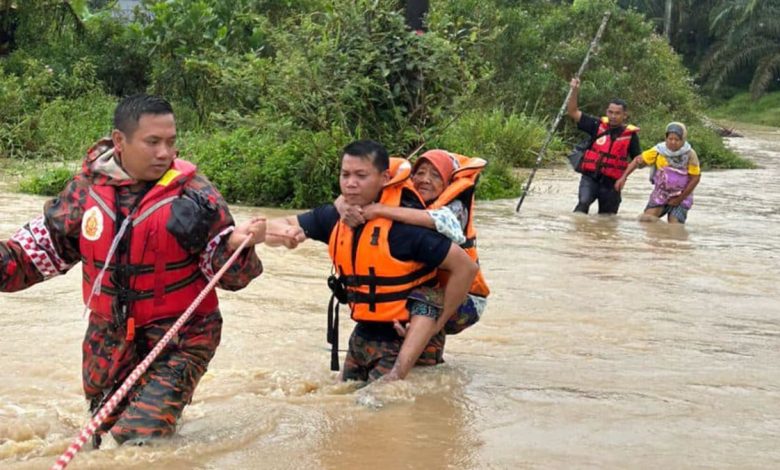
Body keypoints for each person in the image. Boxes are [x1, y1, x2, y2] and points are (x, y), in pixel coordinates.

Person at [0, 94, 266, 447]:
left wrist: (238, 246)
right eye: (153, 142)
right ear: (120, 141)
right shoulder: (85, 192)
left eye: (171, 142)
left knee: (137, 442)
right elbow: (32, 257)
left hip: (181, 338)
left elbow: (232, 276)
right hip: (109, 340)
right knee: (100, 439)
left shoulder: (196, 194)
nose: (164, 153)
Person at [265, 140, 478, 383]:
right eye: (345, 175)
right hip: (364, 333)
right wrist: (284, 235)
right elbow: (270, 227)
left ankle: (399, 371)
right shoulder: (337, 216)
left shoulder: (406, 230)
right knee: (341, 407)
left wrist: (436, 325)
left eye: (360, 176)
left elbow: (466, 268)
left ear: (384, 178)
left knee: (386, 405)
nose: (350, 183)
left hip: (409, 335)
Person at [335, 149, 489, 336]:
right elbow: (348, 196)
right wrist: (344, 207)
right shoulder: (405, 198)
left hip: (467, 301)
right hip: (433, 288)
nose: (425, 179)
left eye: (435, 175)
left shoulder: (457, 208)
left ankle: (426, 338)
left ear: (447, 183)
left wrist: (380, 210)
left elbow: (439, 220)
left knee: (422, 299)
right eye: (420, 172)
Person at [568, 77, 642, 214]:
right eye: (610, 112)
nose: (613, 116)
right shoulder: (596, 125)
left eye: (617, 113)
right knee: (582, 205)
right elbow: (573, 112)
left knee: (607, 219)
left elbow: (637, 159)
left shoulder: (631, 136)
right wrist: (574, 91)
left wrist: (623, 177)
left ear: (625, 115)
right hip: (590, 177)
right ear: (607, 112)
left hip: (612, 183)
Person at [615, 121, 701, 224]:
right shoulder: (658, 150)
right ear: (666, 138)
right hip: (661, 193)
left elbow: (695, 178)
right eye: (670, 139)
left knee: (675, 226)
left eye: (677, 140)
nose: (673, 142)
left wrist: (680, 198)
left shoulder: (690, 154)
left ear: (683, 140)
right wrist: (623, 177)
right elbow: (637, 161)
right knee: (645, 220)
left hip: (681, 195)